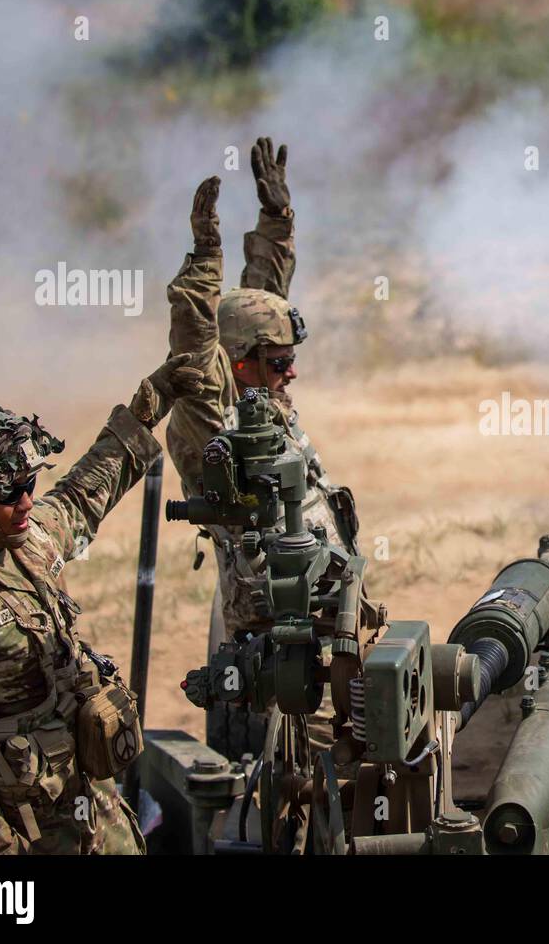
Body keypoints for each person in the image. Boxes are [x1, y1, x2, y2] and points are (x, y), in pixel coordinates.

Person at [0, 356, 204, 853]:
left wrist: (148, 409)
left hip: (89, 807)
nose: (28, 502)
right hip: (37, 833)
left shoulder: (22, 545)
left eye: (30, 485)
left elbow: (81, 497)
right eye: (10, 492)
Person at [165, 137, 358, 760]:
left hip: (321, 610)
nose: (291, 373)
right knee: (306, 768)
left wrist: (277, 220)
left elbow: (259, 301)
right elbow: (200, 341)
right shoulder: (211, 421)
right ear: (238, 365)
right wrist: (204, 257)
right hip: (278, 631)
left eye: (291, 360)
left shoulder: (259, 391)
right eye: (279, 363)